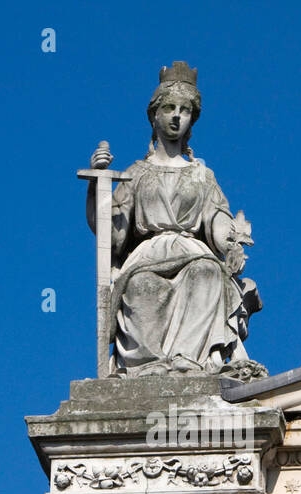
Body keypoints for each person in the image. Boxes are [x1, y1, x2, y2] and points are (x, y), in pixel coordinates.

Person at [85, 62, 262, 377]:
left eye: (185, 110)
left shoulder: (202, 175)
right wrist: (95, 186)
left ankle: (189, 361)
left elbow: (216, 218)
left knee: (208, 272)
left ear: (192, 120)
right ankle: (147, 367)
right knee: (141, 287)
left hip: (193, 252)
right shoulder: (136, 174)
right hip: (148, 257)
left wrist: (231, 242)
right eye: (169, 108)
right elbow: (110, 234)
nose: (176, 115)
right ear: (154, 116)